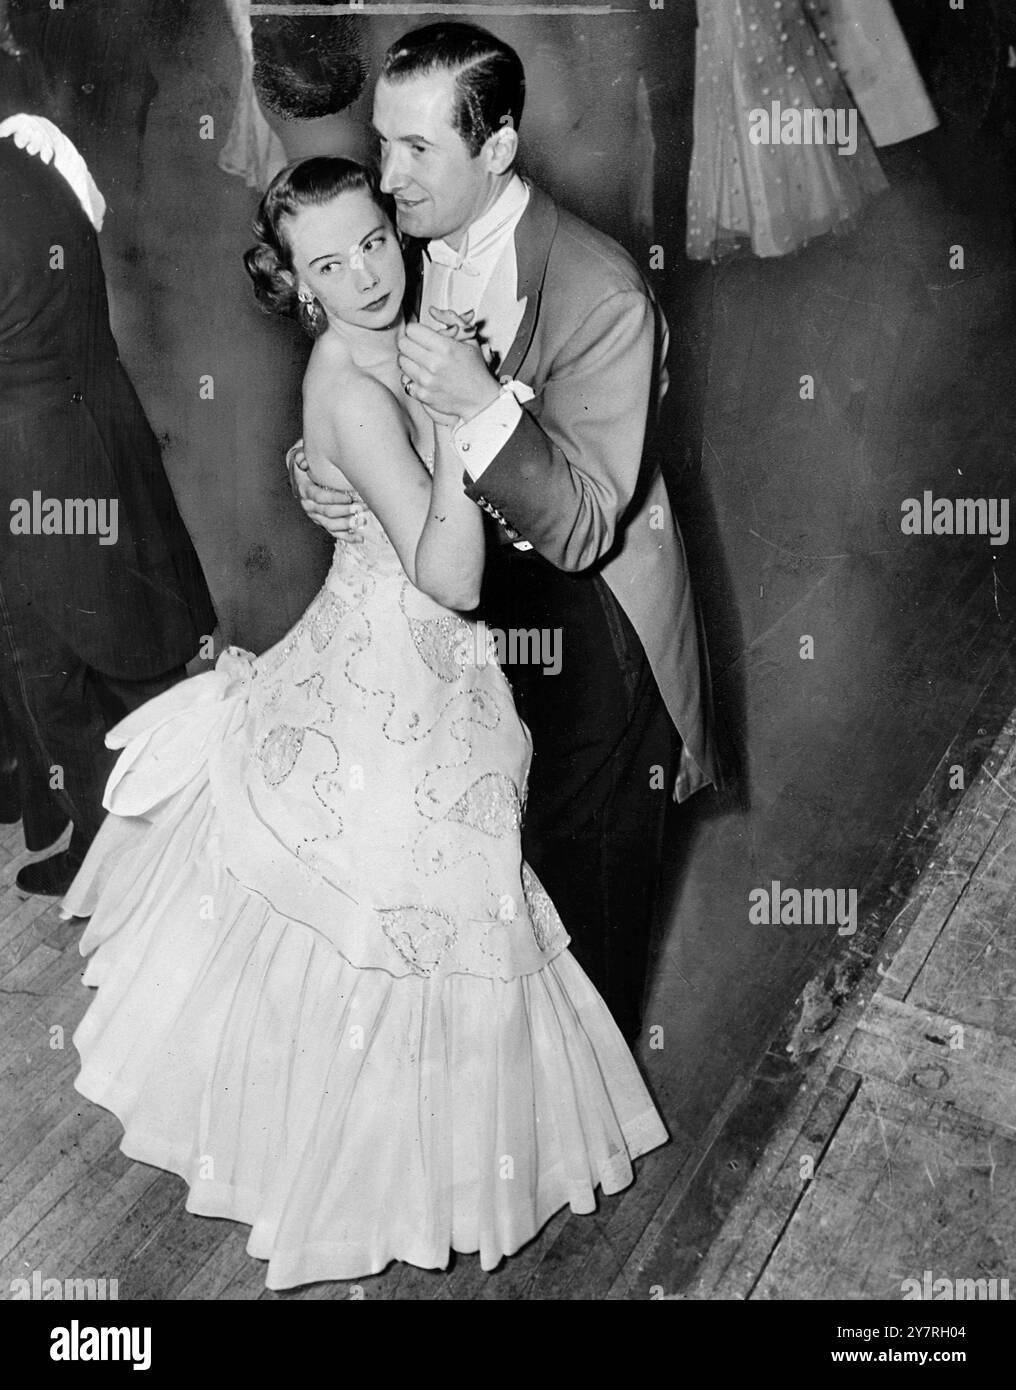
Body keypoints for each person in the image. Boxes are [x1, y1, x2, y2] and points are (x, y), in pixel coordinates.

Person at [61, 157, 668, 1288]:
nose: (362, 273)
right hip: (399, 660)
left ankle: (439, 1148)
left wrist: (411, 435)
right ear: (293, 284)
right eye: (325, 263)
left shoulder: (434, 290)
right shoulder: (343, 377)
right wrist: (452, 427)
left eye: (371, 241)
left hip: (438, 663)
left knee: (451, 897)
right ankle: (355, 1170)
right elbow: (448, 573)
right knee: (400, 904)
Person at [291, 22, 719, 1043]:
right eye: (381, 143)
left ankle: (592, 1129)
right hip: (468, 613)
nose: (386, 181)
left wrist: (485, 408)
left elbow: (577, 529)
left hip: (589, 633)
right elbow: (357, 374)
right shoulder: (413, 240)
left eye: (416, 150)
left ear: (496, 148)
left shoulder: (604, 293)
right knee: (485, 871)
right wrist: (320, 467)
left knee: (581, 903)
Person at [0, 101, 216, 896]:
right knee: (114, 654)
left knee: (71, 670)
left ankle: (132, 869)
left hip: (30, 474)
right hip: (101, 436)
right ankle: (144, 855)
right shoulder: (38, 153)